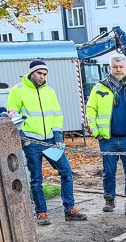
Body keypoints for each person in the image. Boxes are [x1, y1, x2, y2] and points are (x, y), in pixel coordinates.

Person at [8, 59, 87, 225]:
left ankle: (69, 209)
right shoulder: (18, 91)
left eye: (44, 74)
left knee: (66, 172)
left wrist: (58, 137)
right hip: (31, 142)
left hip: (51, 140)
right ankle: (41, 213)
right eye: (39, 73)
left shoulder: (50, 92)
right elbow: (12, 117)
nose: (42, 77)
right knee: (36, 179)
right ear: (31, 73)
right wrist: (23, 139)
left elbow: (57, 115)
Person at [86, 54, 126, 216]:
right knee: (108, 171)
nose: (118, 70)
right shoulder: (99, 88)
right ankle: (109, 200)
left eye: (121, 67)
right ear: (110, 68)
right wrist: (96, 132)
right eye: (115, 67)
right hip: (107, 139)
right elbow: (90, 110)